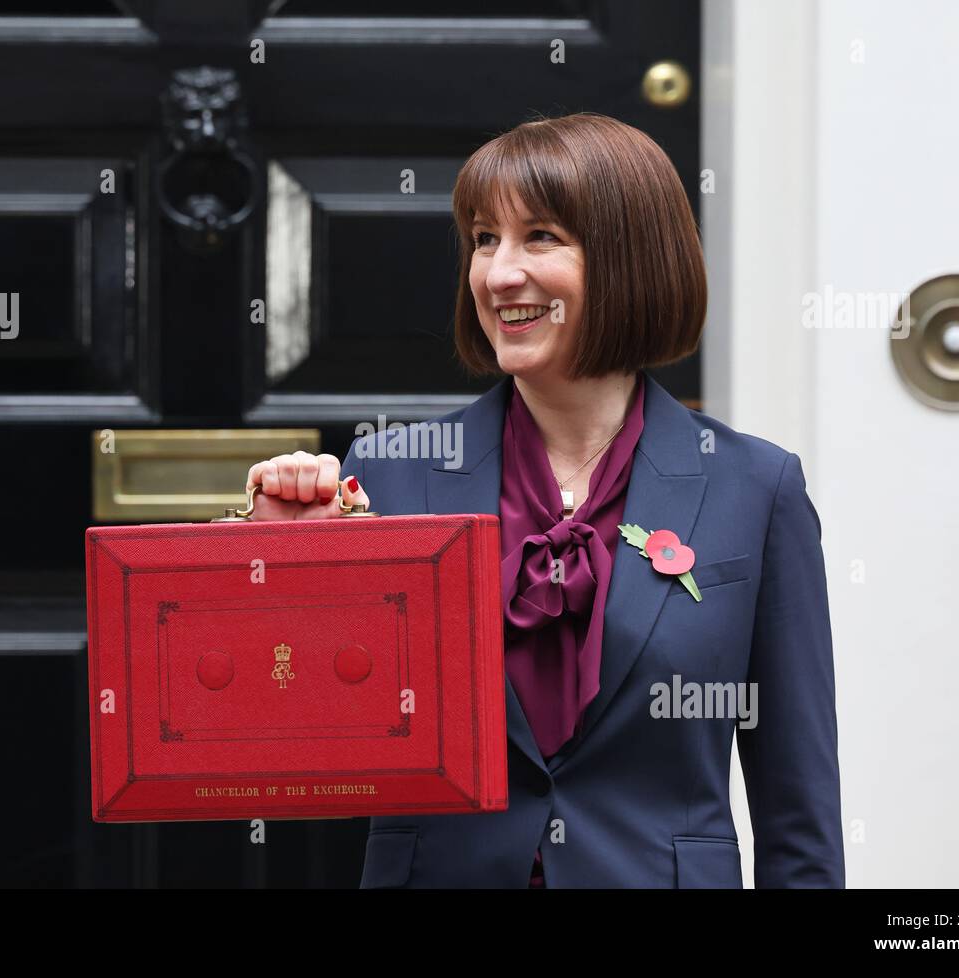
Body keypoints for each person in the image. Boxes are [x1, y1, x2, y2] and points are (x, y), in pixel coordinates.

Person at [244, 112, 844, 888]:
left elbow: (798, 805)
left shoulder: (757, 489)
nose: (498, 273)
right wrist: (281, 557)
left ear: (632, 259)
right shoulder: (387, 475)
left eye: (541, 237)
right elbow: (298, 737)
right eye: (484, 238)